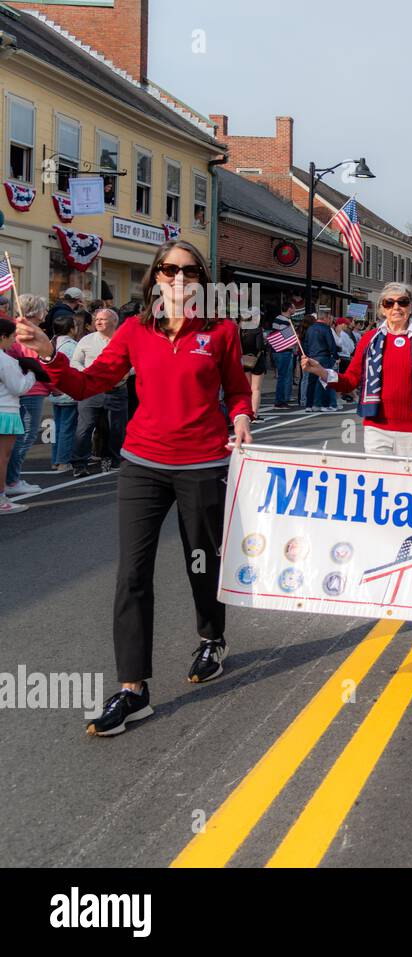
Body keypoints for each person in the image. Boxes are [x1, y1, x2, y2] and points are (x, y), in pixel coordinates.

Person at [15, 239, 254, 735]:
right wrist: (47, 357)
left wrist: (242, 417)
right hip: (142, 462)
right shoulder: (134, 330)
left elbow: (234, 389)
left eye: (189, 271)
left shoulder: (221, 331)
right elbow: (87, 384)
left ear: (202, 282)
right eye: (169, 270)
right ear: (155, 277)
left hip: (203, 463)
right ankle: (133, 690)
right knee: (132, 574)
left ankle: (212, 637)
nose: (178, 278)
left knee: (201, 561)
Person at [302, 282, 412, 457]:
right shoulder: (369, 339)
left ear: (411, 307)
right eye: (389, 303)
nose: (396, 307)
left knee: (407, 483)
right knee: (379, 480)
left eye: (402, 302)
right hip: (377, 428)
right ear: (382, 309)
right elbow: (350, 380)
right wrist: (321, 371)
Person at [68, 308, 129, 477]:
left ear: (114, 322)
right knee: (85, 427)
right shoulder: (87, 340)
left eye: (103, 319)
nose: (98, 322)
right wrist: (86, 372)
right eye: (97, 320)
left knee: (117, 428)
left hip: (116, 391)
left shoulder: (124, 340)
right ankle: (79, 463)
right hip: (91, 390)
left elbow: (137, 362)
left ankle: (114, 460)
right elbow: (74, 362)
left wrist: (127, 372)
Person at [5, 295, 54, 496]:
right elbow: (41, 363)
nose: (46, 312)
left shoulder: (14, 330)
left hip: (23, 389)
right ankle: (13, 480)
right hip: (31, 389)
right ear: (35, 311)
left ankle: (11, 478)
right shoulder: (29, 333)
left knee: (19, 437)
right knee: (25, 436)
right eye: (44, 308)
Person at [0, 318, 36, 515]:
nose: (14, 341)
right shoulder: (5, 360)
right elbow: (19, 387)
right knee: (2, 459)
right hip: (5, 412)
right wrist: (32, 373)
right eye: (13, 337)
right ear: (3, 336)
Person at [48, 313, 80, 472]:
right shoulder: (71, 346)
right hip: (68, 392)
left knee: (59, 427)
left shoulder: (51, 343)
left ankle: (56, 459)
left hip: (55, 392)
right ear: (70, 329)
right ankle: (63, 461)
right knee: (67, 427)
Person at [303, 310, 339, 412]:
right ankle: (323, 404)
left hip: (312, 357)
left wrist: (306, 355)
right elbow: (331, 344)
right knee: (324, 381)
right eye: (328, 318)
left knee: (312, 382)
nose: (329, 320)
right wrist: (336, 356)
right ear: (325, 318)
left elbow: (305, 343)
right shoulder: (326, 329)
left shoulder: (310, 329)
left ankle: (309, 405)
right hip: (323, 357)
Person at [268, 299, 300, 409]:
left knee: (284, 376)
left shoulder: (279, 319)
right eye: (294, 307)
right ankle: (280, 401)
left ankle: (283, 399)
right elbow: (285, 337)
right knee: (283, 377)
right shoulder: (284, 321)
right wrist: (295, 335)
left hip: (280, 351)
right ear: (289, 309)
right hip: (283, 352)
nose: (295, 309)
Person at [239, 307, 268, 420]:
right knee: (255, 389)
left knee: (246, 388)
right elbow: (260, 346)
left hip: (244, 359)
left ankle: (245, 412)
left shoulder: (240, 329)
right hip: (256, 359)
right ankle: (254, 413)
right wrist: (265, 342)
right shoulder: (257, 329)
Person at [334, 316, 359, 401]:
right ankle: (353, 396)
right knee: (345, 379)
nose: (346, 326)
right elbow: (351, 347)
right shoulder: (343, 334)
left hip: (341, 357)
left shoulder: (337, 333)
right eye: (345, 324)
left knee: (342, 378)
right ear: (341, 324)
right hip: (344, 357)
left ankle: (341, 396)